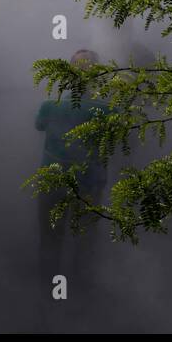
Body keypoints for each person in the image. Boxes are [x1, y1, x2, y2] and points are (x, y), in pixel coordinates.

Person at [34, 49, 111, 291]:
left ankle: (48, 293)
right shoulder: (107, 109)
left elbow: (39, 125)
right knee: (86, 241)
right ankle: (81, 295)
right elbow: (113, 142)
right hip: (90, 181)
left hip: (52, 179)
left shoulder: (51, 105)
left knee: (50, 238)